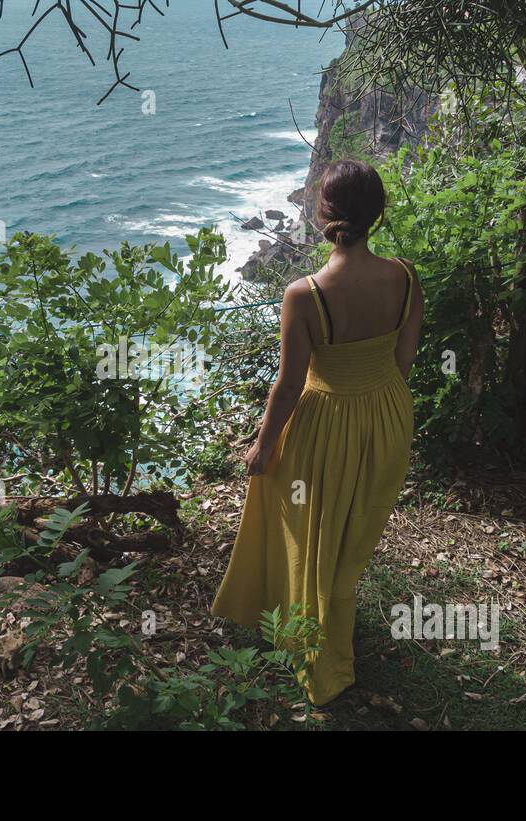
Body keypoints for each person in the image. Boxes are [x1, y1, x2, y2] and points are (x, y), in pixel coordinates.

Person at [210, 158, 423, 706]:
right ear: (378, 214)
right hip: (388, 416)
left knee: (309, 532)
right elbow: (403, 361)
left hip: (324, 423)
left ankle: (313, 644)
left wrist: (262, 444)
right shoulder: (404, 276)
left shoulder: (304, 293)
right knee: (352, 536)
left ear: (322, 213)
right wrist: (374, 401)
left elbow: (287, 385)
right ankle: (331, 626)